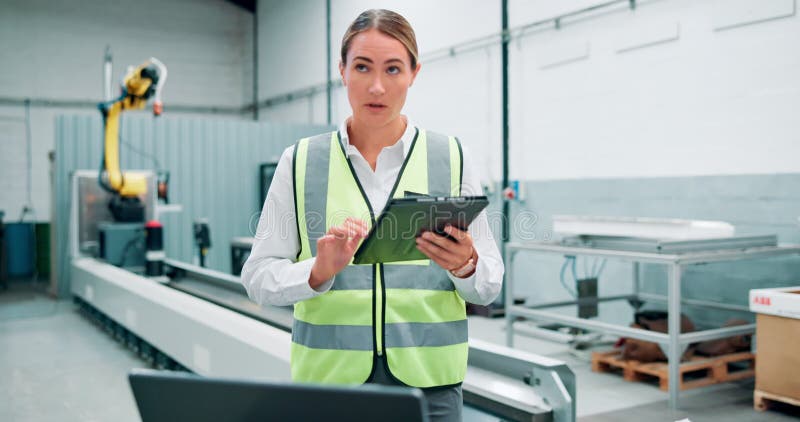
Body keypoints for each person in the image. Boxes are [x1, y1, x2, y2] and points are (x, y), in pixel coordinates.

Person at [242, 9, 503, 421]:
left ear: (414, 73)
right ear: (342, 70)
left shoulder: (451, 158)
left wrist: (467, 266)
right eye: (362, 67)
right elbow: (257, 278)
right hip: (329, 389)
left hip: (430, 390)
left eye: (394, 69)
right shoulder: (300, 162)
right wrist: (316, 271)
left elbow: (489, 286)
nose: (377, 86)